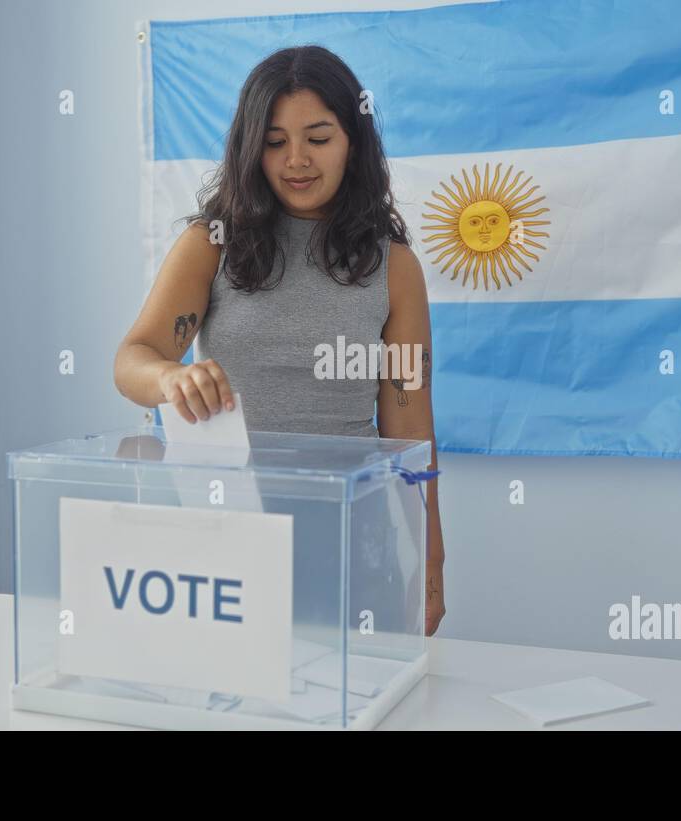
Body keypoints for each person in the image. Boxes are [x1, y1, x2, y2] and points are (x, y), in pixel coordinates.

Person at [114, 45, 445, 636]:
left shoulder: (395, 268)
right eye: (273, 142)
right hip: (223, 538)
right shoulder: (209, 244)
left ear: (354, 142)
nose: (296, 160)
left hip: (350, 539)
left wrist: (432, 561)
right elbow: (132, 361)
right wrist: (171, 377)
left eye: (318, 138)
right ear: (250, 148)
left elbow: (411, 429)